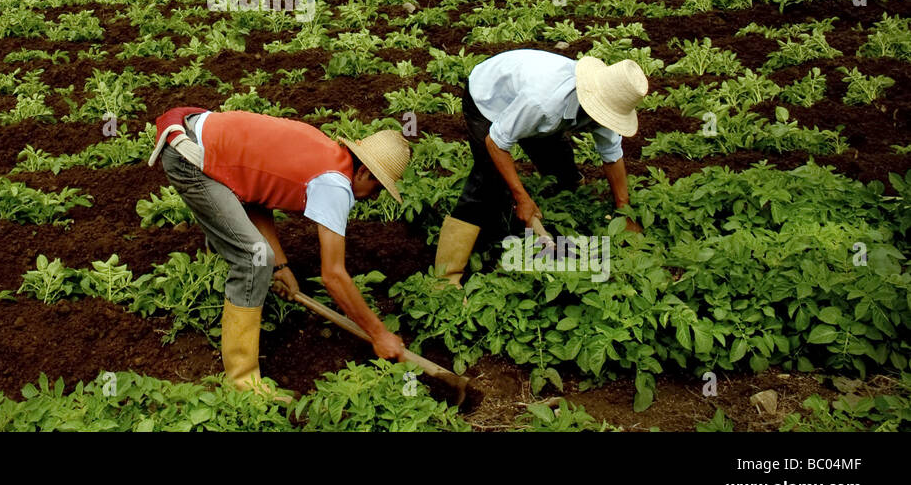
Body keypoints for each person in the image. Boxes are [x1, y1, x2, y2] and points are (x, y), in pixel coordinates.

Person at [148, 106, 410, 393]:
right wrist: (379, 333)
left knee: (259, 254)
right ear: (363, 171)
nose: (372, 199)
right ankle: (243, 385)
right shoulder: (335, 184)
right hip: (191, 156)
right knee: (252, 259)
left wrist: (281, 266)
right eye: (377, 189)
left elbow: (254, 193)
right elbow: (334, 276)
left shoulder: (325, 153)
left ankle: (218, 290)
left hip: (195, 134)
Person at [434, 50, 648, 286]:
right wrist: (522, 197)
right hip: (489, 96)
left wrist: (623, 210)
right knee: (489, 181)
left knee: (560, 162)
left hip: (530, 101)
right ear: (591, 101)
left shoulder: (605, 102)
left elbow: (611, 156)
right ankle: (446, 278)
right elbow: (495, 143)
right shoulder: (543, 103)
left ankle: (565, 211)